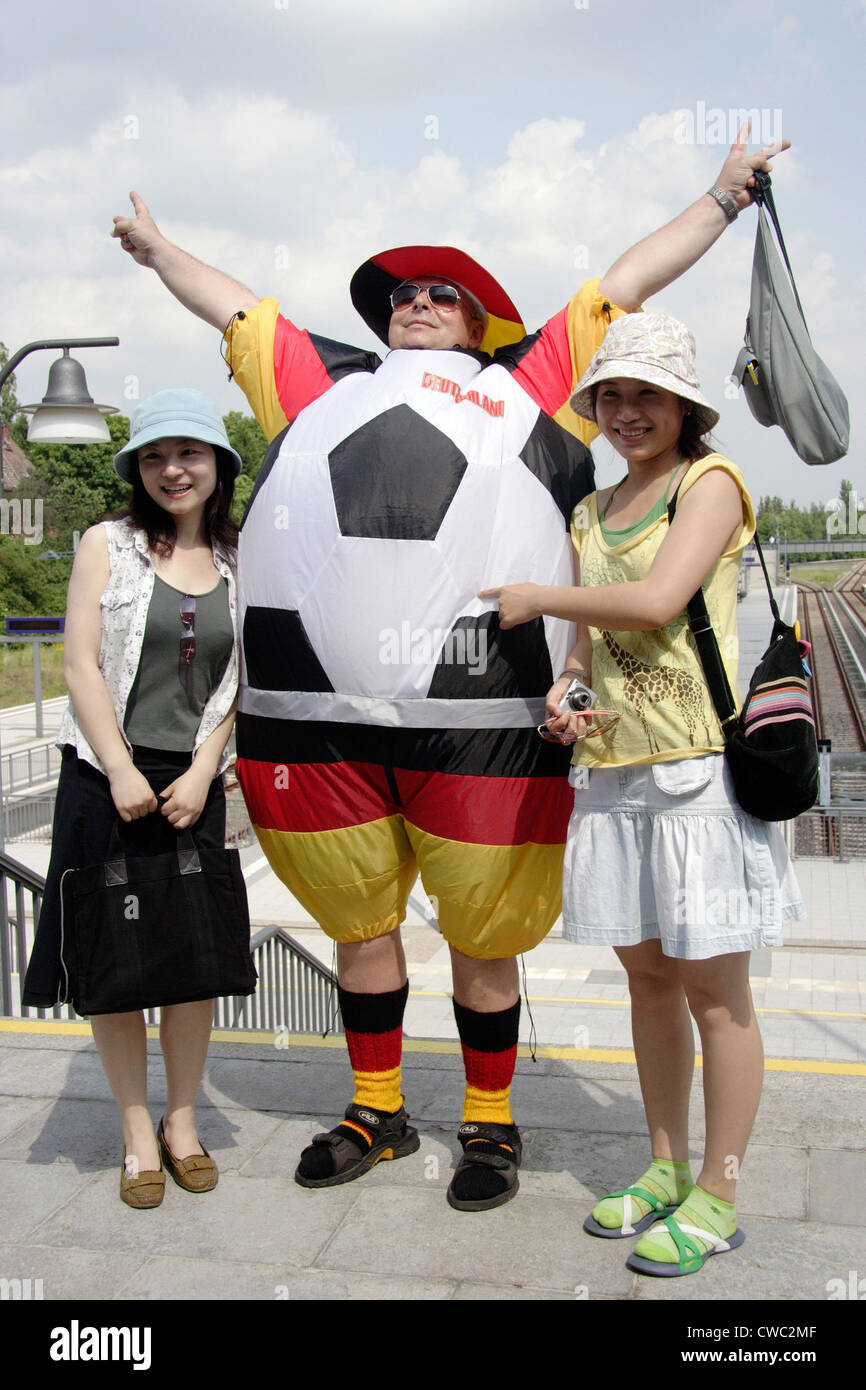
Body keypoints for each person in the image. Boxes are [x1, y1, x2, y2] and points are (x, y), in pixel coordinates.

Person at [110, 123, 789, 1212]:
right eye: (401, 293)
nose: (415, 303)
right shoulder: (319, 382)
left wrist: (718, 198)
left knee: (484, 936)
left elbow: (622, 278)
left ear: (482, 318)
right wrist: (156, 248)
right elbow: (237, 306)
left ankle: (488, 1122)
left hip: (488, 716)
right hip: (321, 719)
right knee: (360, 928)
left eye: (440, 292)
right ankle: (375, 1105)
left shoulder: (535, 382)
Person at [480, 311, 804, 1271]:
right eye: (611, 396)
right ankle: (664, 1168)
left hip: (700, 772)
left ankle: (721, 1188)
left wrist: (537, 598)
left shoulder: (709, 486)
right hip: (612, 775)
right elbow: (587, 653)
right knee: (648, 980)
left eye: (646, 396)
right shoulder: (590, 510)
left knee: (717, 992)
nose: (626, 412)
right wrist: (565, 698)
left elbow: (659, 601)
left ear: (684, 409)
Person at [22, 389, 242, 1209]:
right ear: (136, 470)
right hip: (101, 781)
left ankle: (183, 1124)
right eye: (153, 456)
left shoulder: (238, 560)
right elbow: (80, 663)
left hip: (192, 785)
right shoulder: (105, 544)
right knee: (112, 964)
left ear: (217, 464)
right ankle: (135, 1133)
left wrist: (204, 767)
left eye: (188, 454)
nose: (171, 470)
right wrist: (119, 768)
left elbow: (239, 682)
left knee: (191, 964)